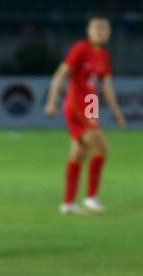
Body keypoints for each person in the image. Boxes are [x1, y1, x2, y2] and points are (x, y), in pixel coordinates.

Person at [45, 15, 126, 214]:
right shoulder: (80, 49)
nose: (101, 32)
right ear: (88, 31)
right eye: (96, 28)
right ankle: (91, 198)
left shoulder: (103, 55)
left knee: (79, 153)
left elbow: (106, 86)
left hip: (92, 103)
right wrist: (51, 102)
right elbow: (60, 75)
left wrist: (116, 112)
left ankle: (68, 203)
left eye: (104, 29)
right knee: (102, 149)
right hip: (77, 104)